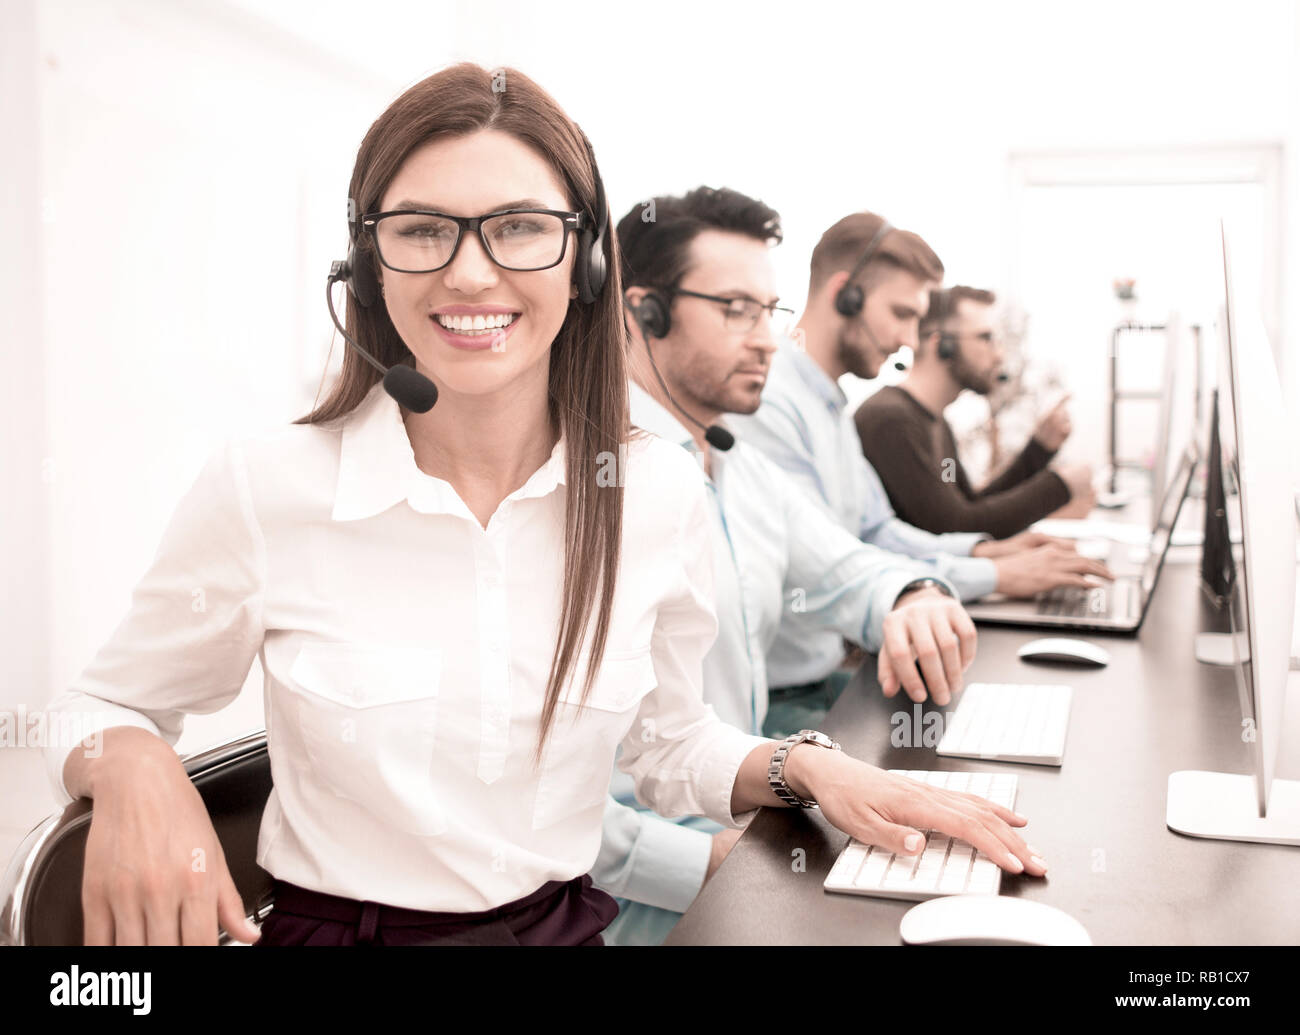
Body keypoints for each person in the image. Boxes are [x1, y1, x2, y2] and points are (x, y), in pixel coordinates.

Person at [42, 67, 1045, 948]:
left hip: (565, 931)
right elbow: (85, 706)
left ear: (586, 262)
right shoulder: (272, 488)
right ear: (367, 262)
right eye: (422, 230)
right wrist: (132, 762)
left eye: (520, 228)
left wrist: (811, 770)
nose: (469, 271)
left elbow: (665, 745)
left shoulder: (651, 490)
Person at [592, 186, 1048, 946]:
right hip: (642, 895)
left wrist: (915, 592)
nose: (771, 339)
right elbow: (535, 793)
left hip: (740, 817)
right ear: (643, 313)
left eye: (768, 310)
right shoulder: (596, 480)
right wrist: (703, 857)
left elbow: (849, 561)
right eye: (735, 308)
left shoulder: (734, 460)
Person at [728, 212, 1111, 706]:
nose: (911, 339)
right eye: (902, 314)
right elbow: (823, 566)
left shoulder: (830, 404)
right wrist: (995, 576)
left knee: (990, 710)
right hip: (787, 698)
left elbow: (878, 530)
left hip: (827, 678)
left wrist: (984, 552)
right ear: (845, 294)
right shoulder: (769, 400)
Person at [855, 285, 1096, 539]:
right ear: (942, 345)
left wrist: (1039, 449)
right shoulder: (890, 421)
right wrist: (1059, 486)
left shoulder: (937, 424)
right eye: (986, 338)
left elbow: (967, 506)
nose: (999, 355)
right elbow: (955, 528)